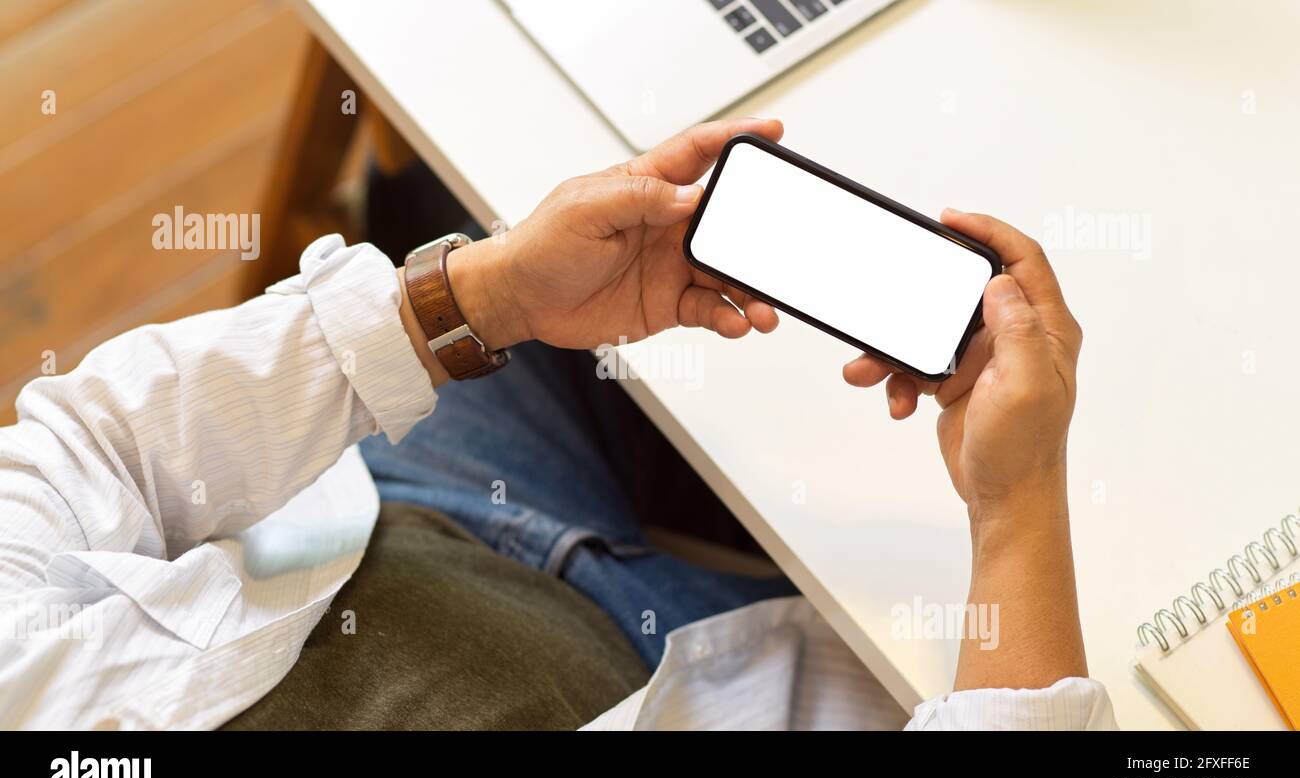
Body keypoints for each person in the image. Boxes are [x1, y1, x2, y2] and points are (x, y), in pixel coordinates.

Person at [0, 117, 1116, 729]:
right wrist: (1013, 503)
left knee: (445, 183)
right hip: (673, 675)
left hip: (389, 532)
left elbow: (91, 447)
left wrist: (481, 297)